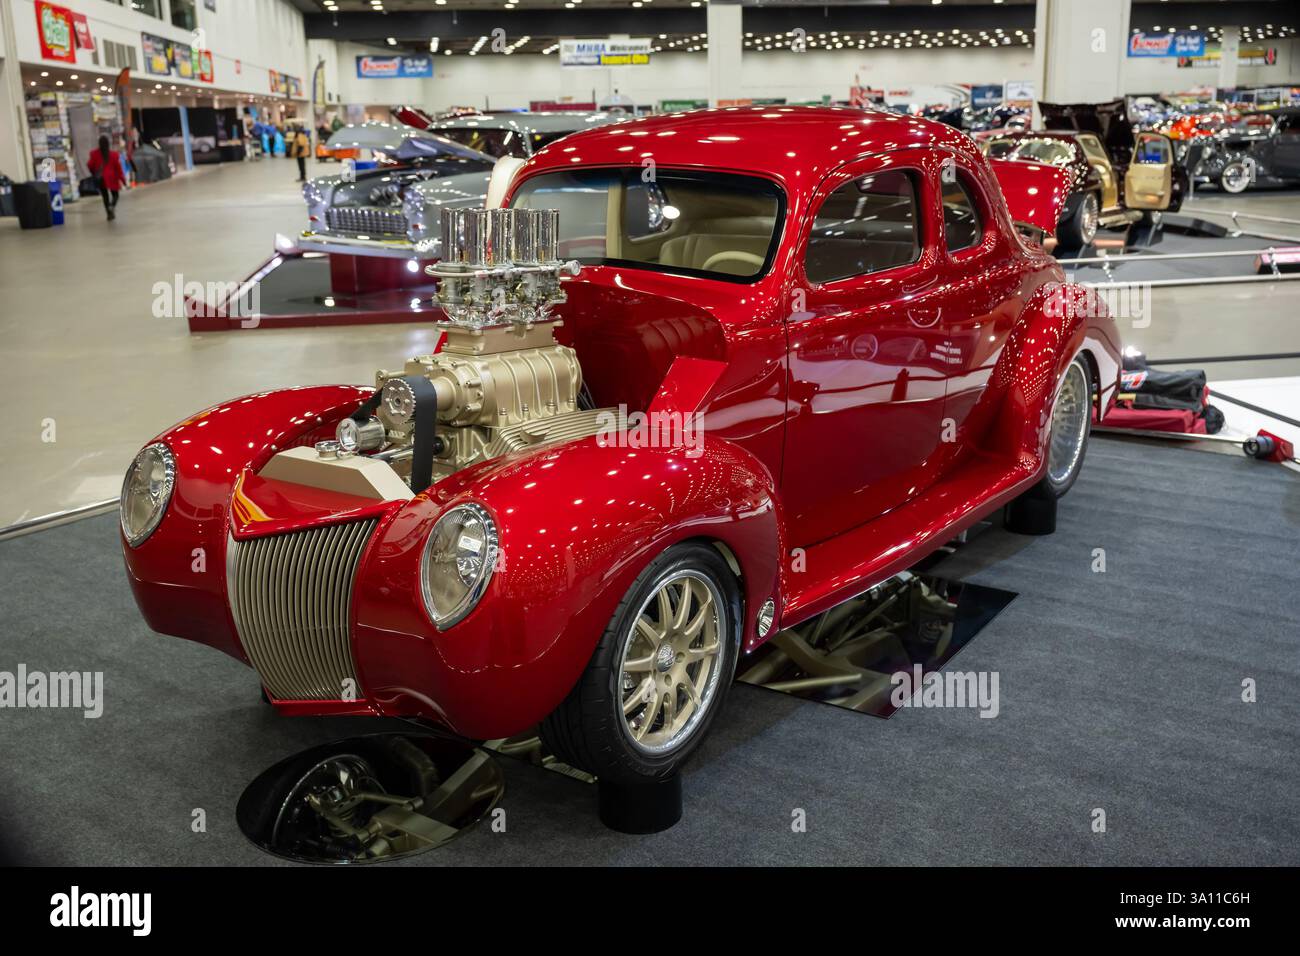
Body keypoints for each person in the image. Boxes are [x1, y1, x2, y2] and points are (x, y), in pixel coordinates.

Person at [87, 134, 125, 221]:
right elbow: (118, 168)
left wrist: (94, 172)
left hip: (101, 178)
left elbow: (90, 165)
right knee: (115, 194)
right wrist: (122, 179)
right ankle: (112, 206)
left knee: (105, 196)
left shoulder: (94, 154)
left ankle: (109, 214)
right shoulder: (114, 155)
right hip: (112, 177)